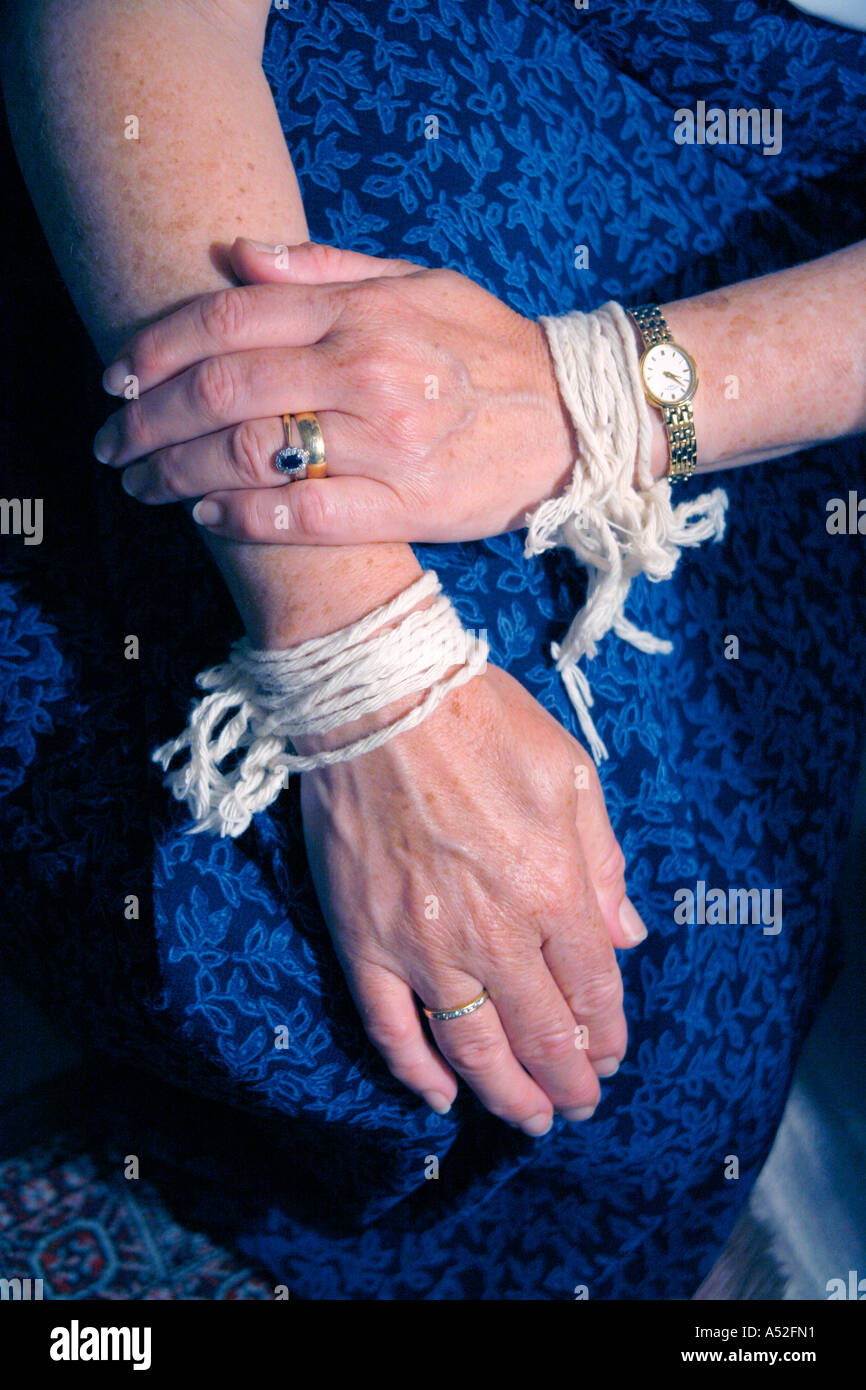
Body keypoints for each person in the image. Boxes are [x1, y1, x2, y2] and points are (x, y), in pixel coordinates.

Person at [1, 0, 864, 1299]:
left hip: (803, 254)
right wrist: (359, 661)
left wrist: (604, 398)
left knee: (648, 1034)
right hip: (404, 37)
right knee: (287, 914)